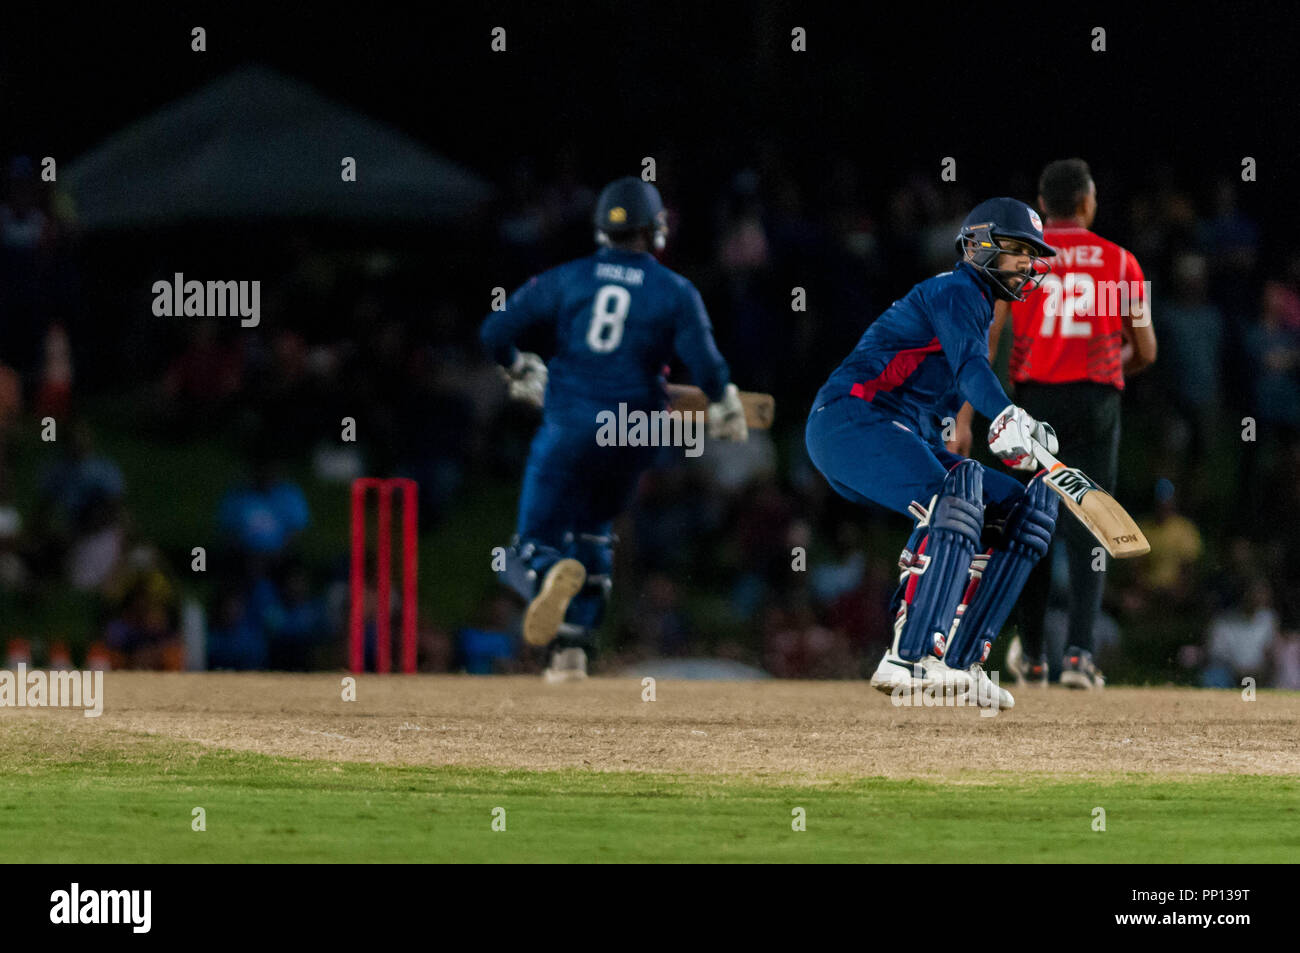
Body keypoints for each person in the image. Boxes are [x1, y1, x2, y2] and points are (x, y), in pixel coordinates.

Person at [480, 176, 747, 681]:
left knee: (530, 542)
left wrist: (518, 368)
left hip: (571, 421)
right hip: (632, 431)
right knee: (595, 531)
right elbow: (708, 368)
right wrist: (725, 404)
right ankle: (573, 651)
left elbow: (495, 332)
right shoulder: (676, 291)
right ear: (654, 230)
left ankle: (545, 571)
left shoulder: (569, 278)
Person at [805, 197, 1061, 708]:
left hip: (892, 430)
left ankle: (960, 663)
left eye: (1032, 254)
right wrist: (1010, 416)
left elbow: (946, 405)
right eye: (1018, 250)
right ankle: (908, 656)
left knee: (1029, 508)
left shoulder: (975, 309)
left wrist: (1016, 443)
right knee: (958, 486)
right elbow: (972, 370)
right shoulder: (955, 290)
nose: (1028, 265)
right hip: (850, 421)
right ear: (981, 244)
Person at [996, 159, 1157, 690]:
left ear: (1042, 206)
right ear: (1087, 203)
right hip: (1096, 401)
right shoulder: (1121, 260)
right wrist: (1113, 370)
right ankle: (1080, 657)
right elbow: (1147, 350)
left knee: (1032, 522)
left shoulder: (1022, 259)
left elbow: (995, 337)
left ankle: (1034, 657)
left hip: (1036, 398)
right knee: (1092, 518)